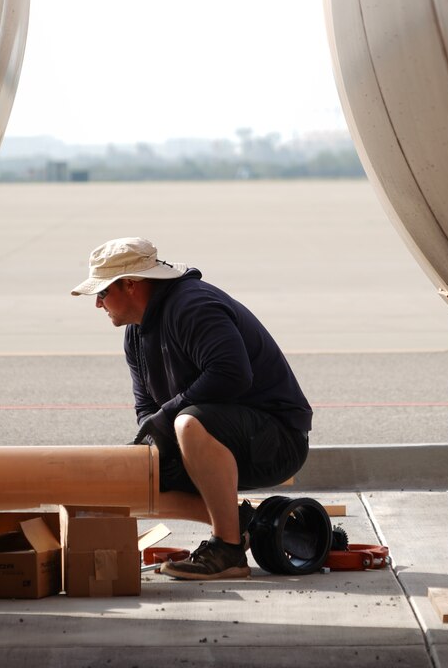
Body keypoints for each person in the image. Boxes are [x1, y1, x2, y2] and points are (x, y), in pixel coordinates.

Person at [72, 236, 312, 580]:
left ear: (130, 284)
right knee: (141, 472)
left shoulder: (193, 306)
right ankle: (241, 523)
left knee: (187, 423)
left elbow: (231, 374)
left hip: (276, 441)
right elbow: (147, 409)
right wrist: (149, 451)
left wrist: (168, 417)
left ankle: (227, 550)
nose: (98, 303)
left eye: (102, 292)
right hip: (218, 439)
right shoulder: (136, 334)